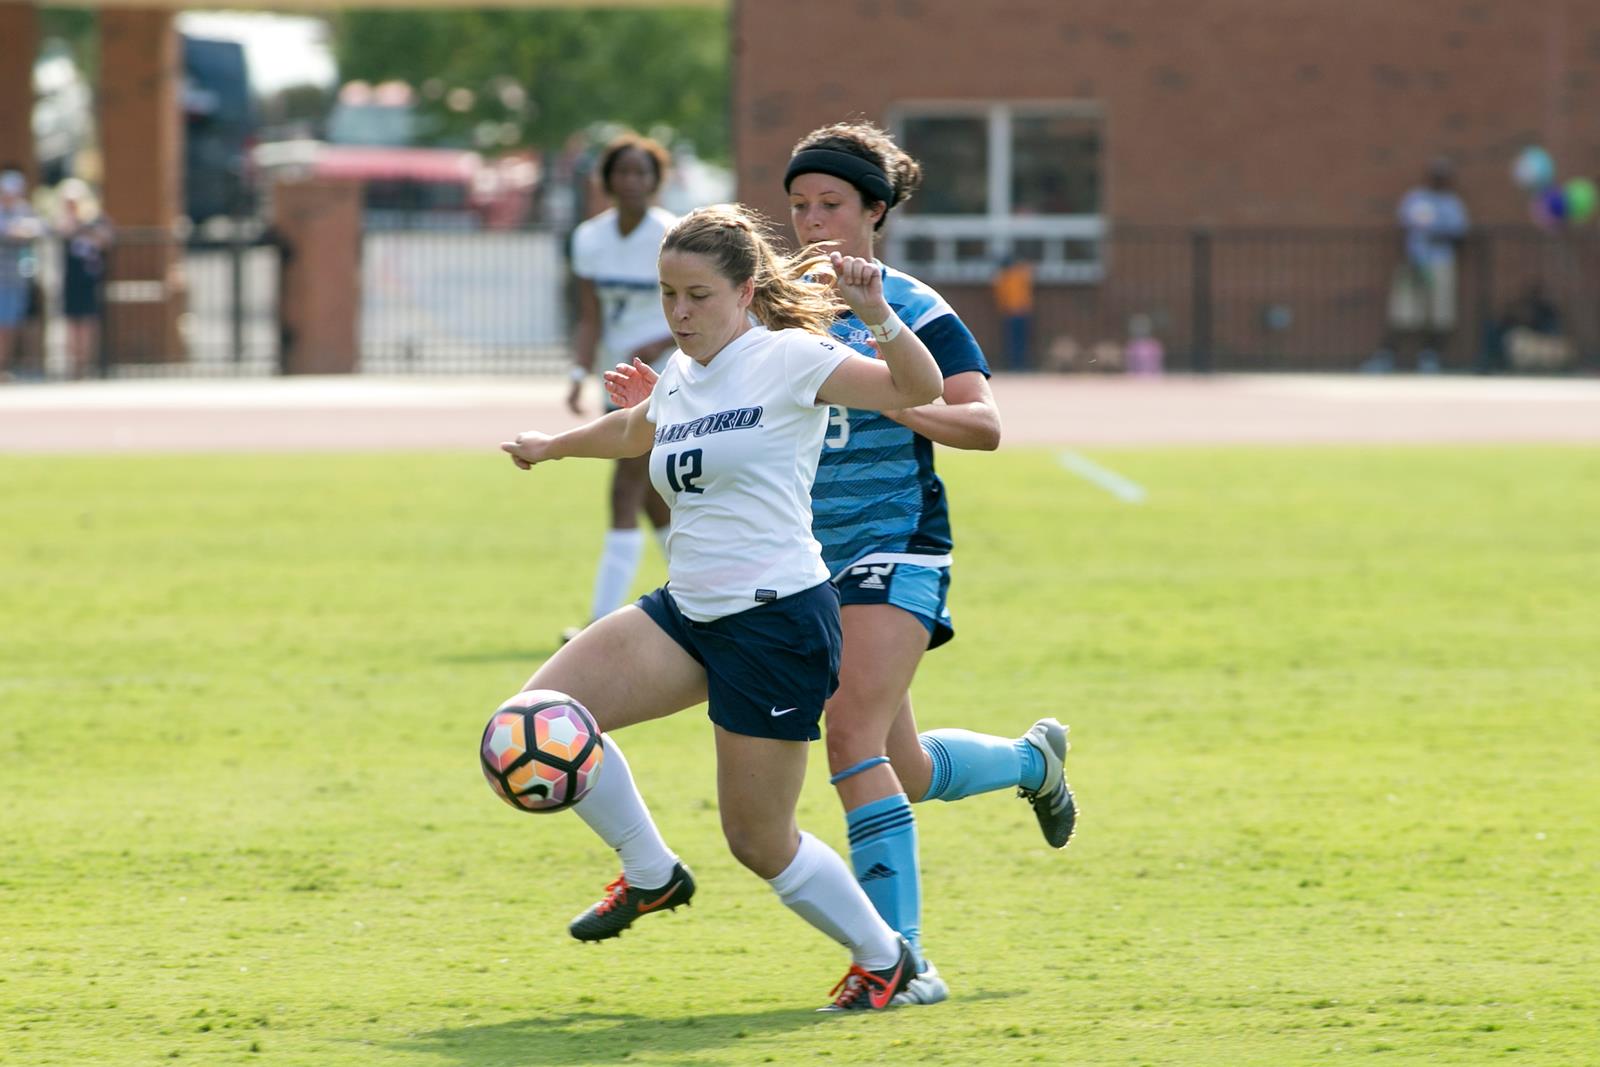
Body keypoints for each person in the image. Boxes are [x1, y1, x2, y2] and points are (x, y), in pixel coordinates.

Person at [606, 121, 1077, 1008]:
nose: (814, 221)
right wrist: (655, 406)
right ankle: (1029, 763)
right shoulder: (772, 308)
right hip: (802, 561)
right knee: (903, 765)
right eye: (799, 206)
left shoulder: (912, 306)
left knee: (851, 737)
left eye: (832, 205)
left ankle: (902, 963)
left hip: (896, 543)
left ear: (875, 212)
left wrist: (898, 401)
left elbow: (983, 423)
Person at [497, 203, 946, 1011]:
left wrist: (876, 312)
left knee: (759, 842)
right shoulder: (681, 371)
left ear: (745, 292)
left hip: (775, 623)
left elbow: (920, 387)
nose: (678, 312)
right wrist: (552, 445)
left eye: (697, 295)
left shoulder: (791, 357)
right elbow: (639, 427)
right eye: (668, 293)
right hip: (687, 613)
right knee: (532, 718)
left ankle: (888, 958)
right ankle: (651, 872)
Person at [562, 133, 680, 643]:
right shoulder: (589, 237)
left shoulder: (672, 234)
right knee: (655, 498)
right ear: (606, 180)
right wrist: (577, 371)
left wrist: (660, 343)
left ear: (657, 181)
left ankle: (599, 622)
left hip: (669, 370)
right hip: (622, 375)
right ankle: (706, 594)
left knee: (624, 486)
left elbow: (700, 307)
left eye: (642, 173)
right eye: (622, 172)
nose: (632, 181)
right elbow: (590, 315)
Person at [1366, 157, 1469, 374]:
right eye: (1436, 175)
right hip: (1414, 262)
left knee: (1439, 313)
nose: (1440, 180)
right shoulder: (1416, 199)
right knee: (1403, 311)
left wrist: (1437, 235)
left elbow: (1459, 236)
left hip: (1441, 264)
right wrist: (1409, 257)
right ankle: (1386, 356)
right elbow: (1404, 230)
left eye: (1444, 176)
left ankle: (1429, 356)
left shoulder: (1452, 204)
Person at [55, 179, 114, 380]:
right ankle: (74, 366)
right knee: (71, 323)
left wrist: (85, 225)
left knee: (89, 322)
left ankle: (86, 364)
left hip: (90, 278)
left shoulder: (95, 218)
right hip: (70, 279)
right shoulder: (66, 220)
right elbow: (62, 231)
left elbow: (106, 239)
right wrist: (75, 221)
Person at [0, 168, 45, 382]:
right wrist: (19, 231)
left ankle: (7, 366)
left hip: (17, 279)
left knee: (14, 325)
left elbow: (40, 228)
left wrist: (21, 230)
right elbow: (9, 231)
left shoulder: (24, 209)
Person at [991, 253, 1034, 372]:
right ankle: (1018, 363)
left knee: (1013, 339)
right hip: (1018, 312)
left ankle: (1015, 363)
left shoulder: (1002, 278)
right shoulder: (1018, 275)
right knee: (1017, 340)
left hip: (1012, 313)